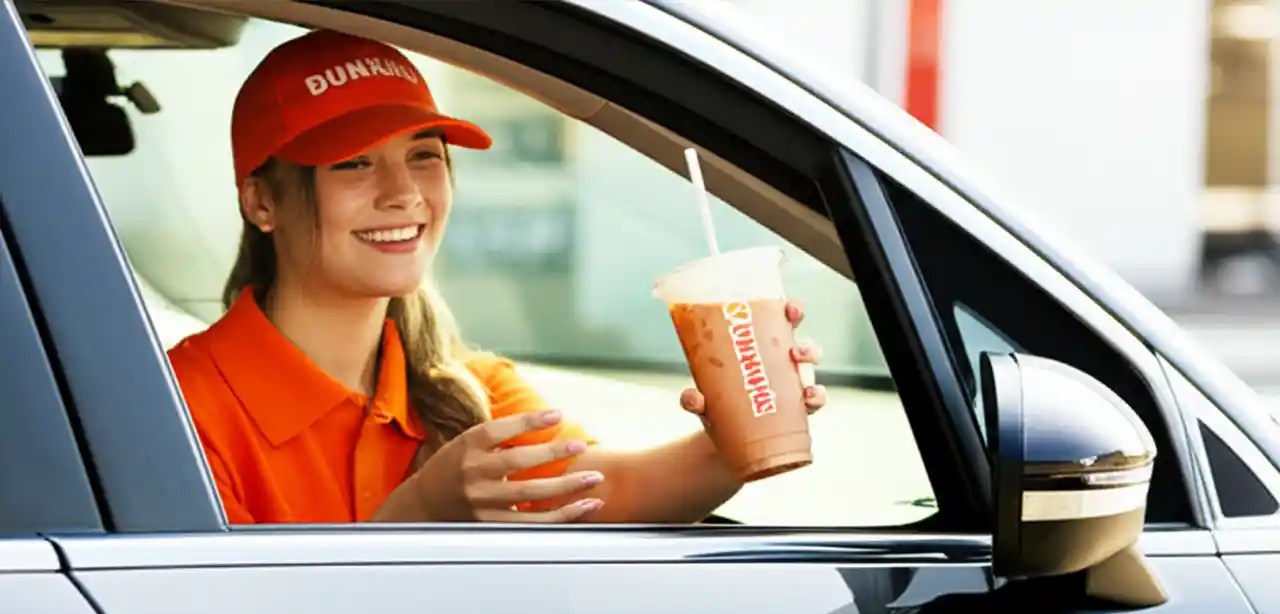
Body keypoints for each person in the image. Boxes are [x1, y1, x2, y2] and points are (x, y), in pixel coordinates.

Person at [167, 29, 827, 525]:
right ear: (261, 202)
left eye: (423, 156)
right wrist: (421, 513)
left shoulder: (472, 392)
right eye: (353, 164)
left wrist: (741, 428)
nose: (404, 194)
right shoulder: (181, 410)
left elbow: (612, 495)